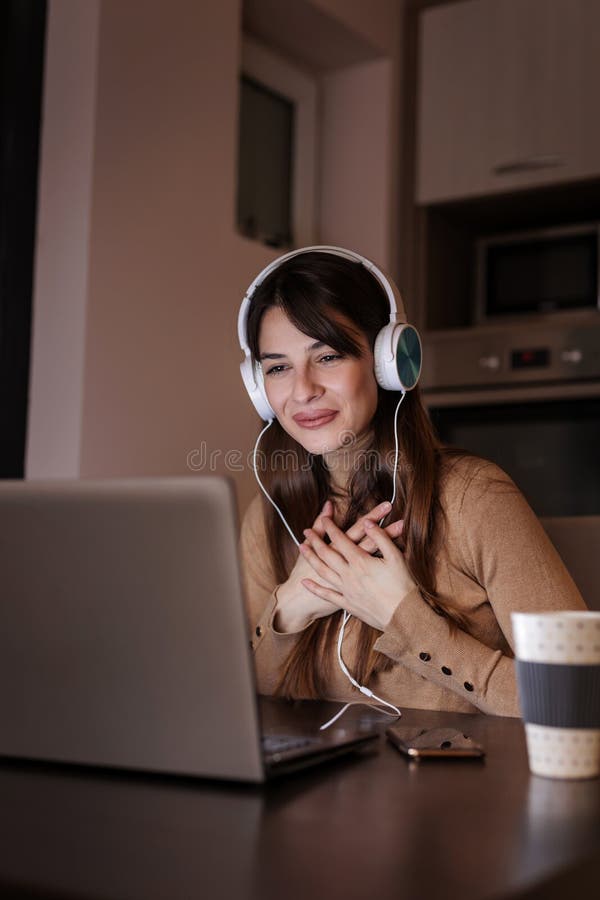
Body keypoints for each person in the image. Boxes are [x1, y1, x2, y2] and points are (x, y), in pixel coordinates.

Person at [238, 246, 586, 719]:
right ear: (259, 387)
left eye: (329, 355)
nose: (302, 389)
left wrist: (404, 618)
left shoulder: (473, 498)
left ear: (388, 362)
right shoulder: (268, 520)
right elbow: (249, 707)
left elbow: (577, 695)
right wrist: (290, 607)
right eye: (278, 367)